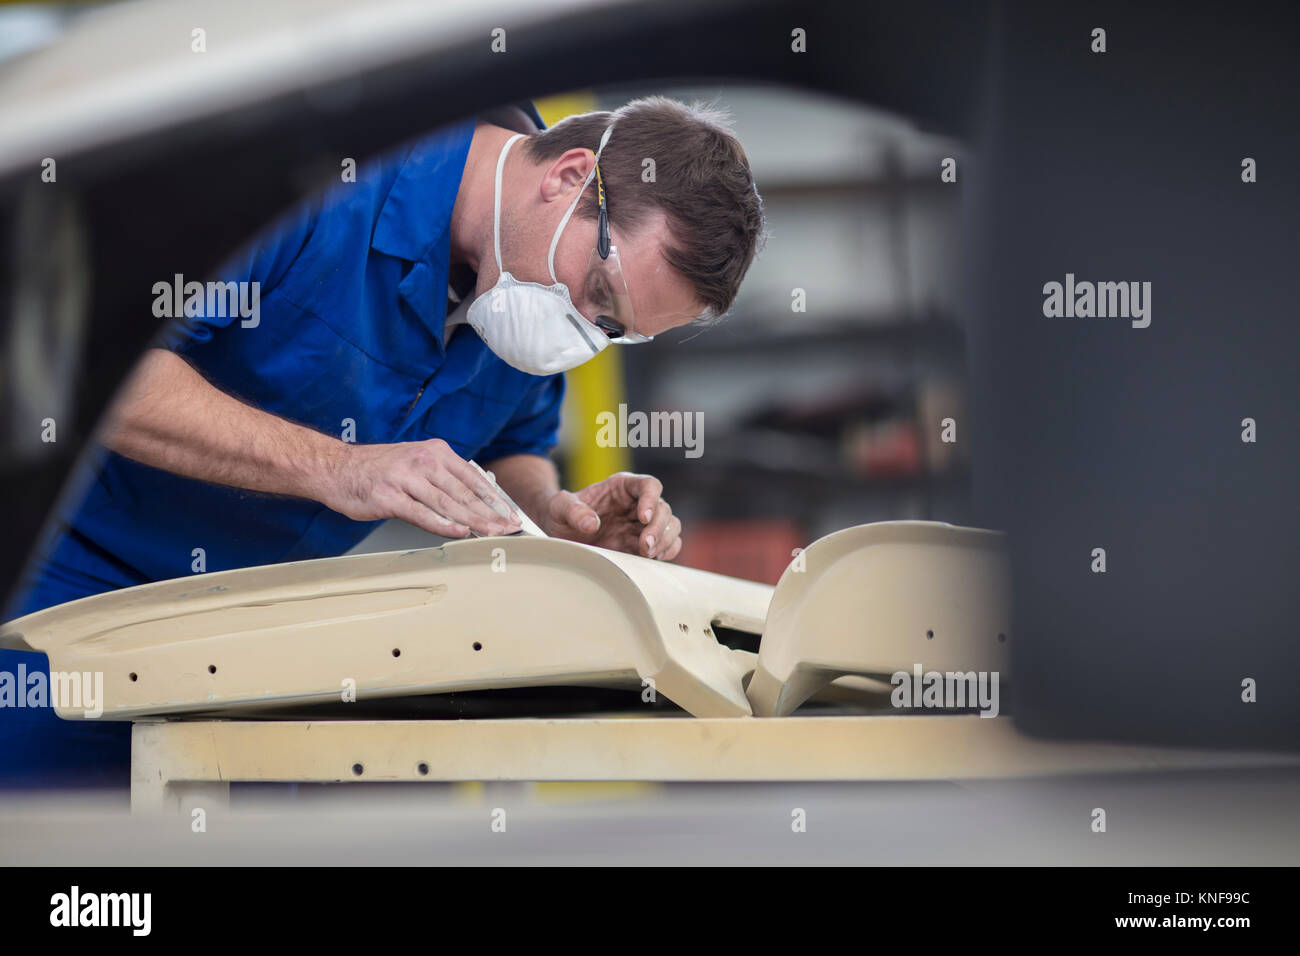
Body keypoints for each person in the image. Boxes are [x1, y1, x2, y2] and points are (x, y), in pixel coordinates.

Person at [0, 96, 765, 786]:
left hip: (246, 639)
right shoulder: (314, 183)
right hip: (64, 581)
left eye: (615, 334)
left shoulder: (524, 290)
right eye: (601, 299)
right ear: (567, 178)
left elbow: (513, 440)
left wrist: (555, 515)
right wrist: (338, 469)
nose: (584, 337)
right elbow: (96, 380)